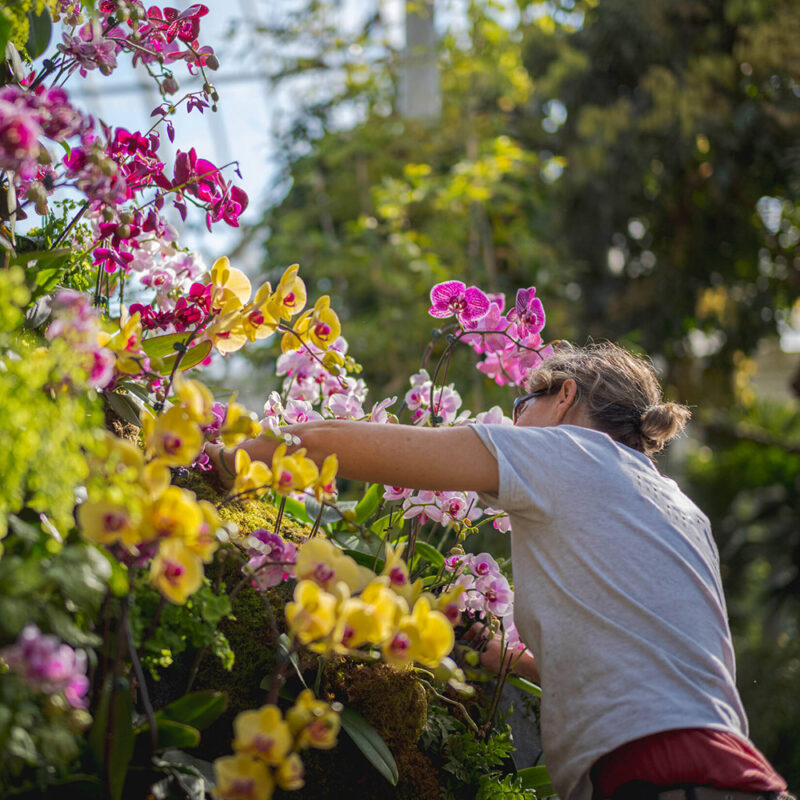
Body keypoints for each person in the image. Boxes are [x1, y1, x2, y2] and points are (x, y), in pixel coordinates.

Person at [207, 341, 791, 800]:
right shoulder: (683, 510)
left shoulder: (566, 449)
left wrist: (219, 464)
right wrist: (507, 659)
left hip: (659, 777)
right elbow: (653, 662)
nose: (512, 424)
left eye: (520, 406)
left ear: (564, 396)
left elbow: (330, 442)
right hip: (736, 772)